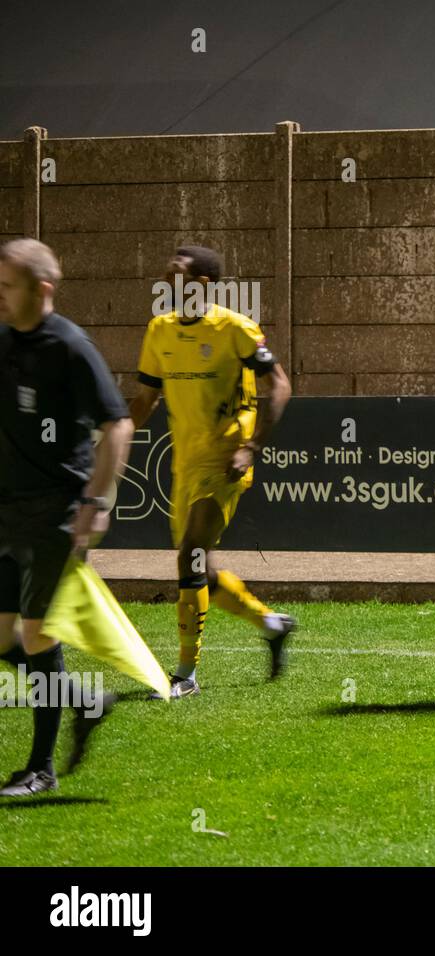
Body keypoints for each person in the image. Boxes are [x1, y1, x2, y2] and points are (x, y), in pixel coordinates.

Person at [129, 246, 296, 699]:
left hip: (225, 459)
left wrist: (252, 446)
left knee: (189, 558)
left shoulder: (234, 328)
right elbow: (144, 399)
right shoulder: (159, 330)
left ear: (201, 284)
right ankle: (271, 623)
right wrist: (114, 436)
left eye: (175, 272)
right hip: (184, 463)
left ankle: (184, 674)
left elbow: (279, 384)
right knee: (200, 568)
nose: (165, 279)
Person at [0, 239, 131, 797]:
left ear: (42, 290)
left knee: (34, 636)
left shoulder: (72, 347)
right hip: (5, 508)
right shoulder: (2, 339)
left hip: (57, 512)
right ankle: (85, 701)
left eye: (7, 286)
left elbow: (117, 424)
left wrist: (96, 502)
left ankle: (40, 769)